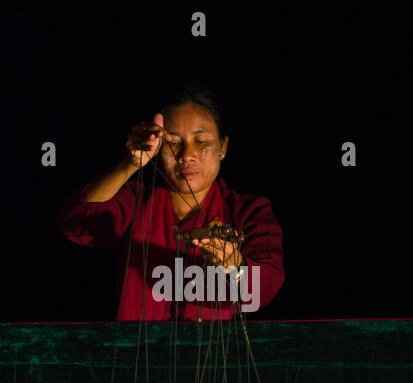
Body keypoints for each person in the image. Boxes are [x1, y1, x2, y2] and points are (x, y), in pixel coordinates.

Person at [56, 89, 285, 320]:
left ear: (223, 147)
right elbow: (75, 221)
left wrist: (235, 265)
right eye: (173, 142)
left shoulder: (249, 212)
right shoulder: (136, 201)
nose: (187, 154)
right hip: (138, 352)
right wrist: (131, 163)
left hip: (213, 354)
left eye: (201, 141)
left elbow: (265, 287)